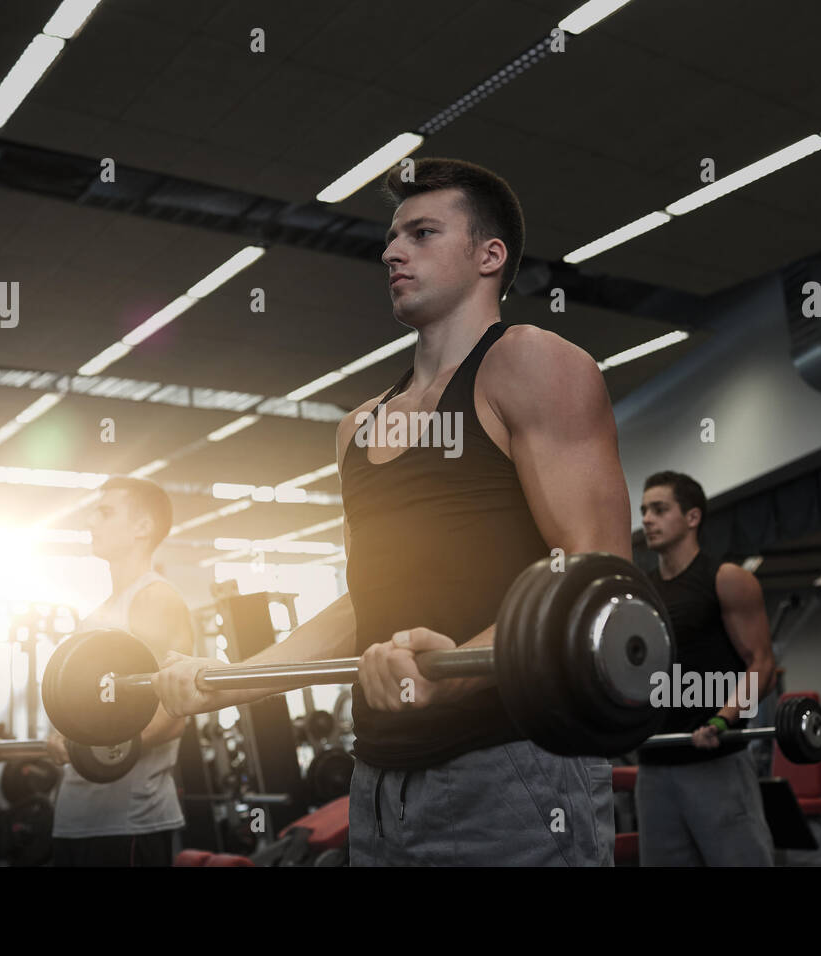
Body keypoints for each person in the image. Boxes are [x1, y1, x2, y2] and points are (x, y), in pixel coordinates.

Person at [153, 158, 633, 865]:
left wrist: (461, 667)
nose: (391, 251)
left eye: (422, 232)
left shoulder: (532, 364)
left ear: (488, 255)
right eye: (391, 237)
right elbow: (362, 603)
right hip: (378, 779)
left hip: (510, 767)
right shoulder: (359, 427)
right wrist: (228, 680)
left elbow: (598, 579)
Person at [0, 476, 192, 866]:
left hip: (129, 823)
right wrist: (7, 749)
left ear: (143, 527)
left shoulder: (156, 598)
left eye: (105, 512)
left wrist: (88, 747)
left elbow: (173, 713)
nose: (91, 521)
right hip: (77, 817)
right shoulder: (96, 616)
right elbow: (80, 724)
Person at [636, 471, 777, 865]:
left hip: (715, 760)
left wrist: (722, 720)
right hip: (654, 766)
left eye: (659, 509)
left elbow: (761, 664)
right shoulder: (639, 590)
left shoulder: (726, 579)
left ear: (693, 517)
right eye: (644, 510)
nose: (646, 519)